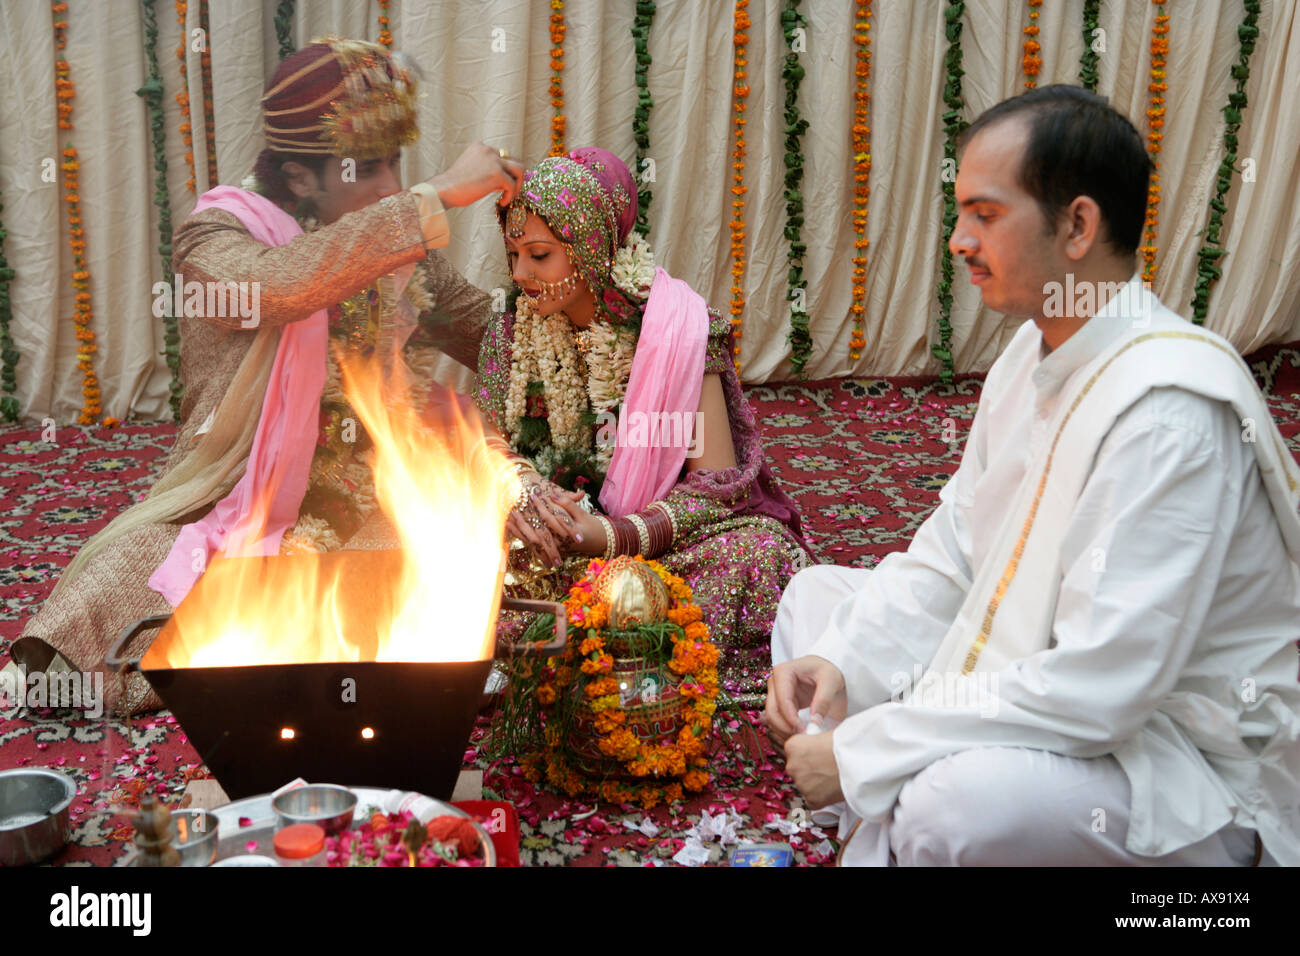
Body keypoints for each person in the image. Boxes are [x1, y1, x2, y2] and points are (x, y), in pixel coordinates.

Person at [767, 85, 1300, 866]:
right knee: (817, 608)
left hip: (1177, 754)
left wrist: (871, 747)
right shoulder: (1032, 350)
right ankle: (868, 799)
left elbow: (1102, 687)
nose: (957, 240)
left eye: (984, 214)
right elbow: (957, 546)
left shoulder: (1168, 413)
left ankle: (877, 806)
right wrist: (848, 665)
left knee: (957, 806)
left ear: (1078, 225)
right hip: (1044, 666)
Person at [8, 37, 524, 715]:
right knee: (100, 613)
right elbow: (283, 285)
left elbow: (481, 330)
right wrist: (435, 198)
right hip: (233, 495)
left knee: (461, 551)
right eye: (366, 169)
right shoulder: (215, 239)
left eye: (396, 165)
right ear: (301, 177)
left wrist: (580, 304)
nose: (391, 187)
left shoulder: (392, 246)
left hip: (365, 493)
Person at [474, 148, 811, 702]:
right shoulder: (510, 330)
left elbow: (715, 487)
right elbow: (487, 441)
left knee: (752, 554)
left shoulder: (675, 332)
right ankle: (599, 652)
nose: (520, 275)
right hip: (549, 543)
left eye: (539, 255)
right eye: (513, 255)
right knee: (445, 533)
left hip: (657, 546)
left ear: (591, 249)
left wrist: (606, 535)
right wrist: (526, 493)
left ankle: (554, 653)